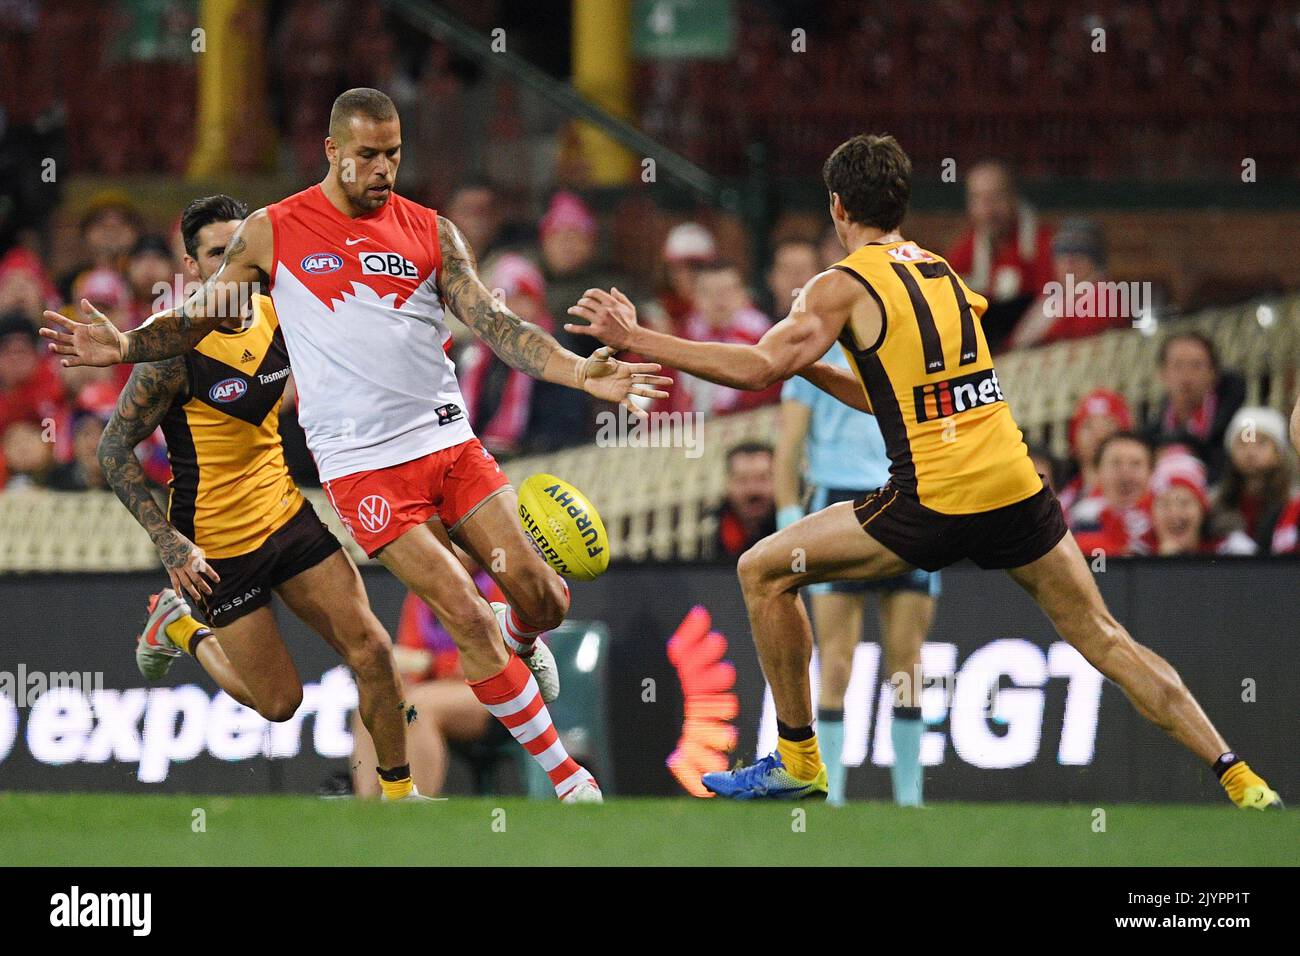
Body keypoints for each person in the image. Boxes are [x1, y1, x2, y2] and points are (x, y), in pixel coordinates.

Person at [565, 133, 1280, 809]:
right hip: (1015, 485)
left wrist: (636, 339)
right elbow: (902, 401)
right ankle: (1240, 776)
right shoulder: (941, 272)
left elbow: (756, 368)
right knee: (1104, 636)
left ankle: (799, 759)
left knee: (762, 571)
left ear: (838, 207)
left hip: (935, 502)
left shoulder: (840, 285)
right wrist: (817, 364)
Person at [45, 89, 669, 803]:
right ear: (333, 152)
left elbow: (496, 326)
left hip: (441, 447)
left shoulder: (431, 232)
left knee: (542, 595)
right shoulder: (274, 234)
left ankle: (521, 638)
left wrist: (578, 371)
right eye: (367, 154)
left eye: (394, 154)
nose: (383, 168)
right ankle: (563, 779)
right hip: (353, 477)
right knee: (433, 625)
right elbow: (191, 324)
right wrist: (125, 345)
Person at [95, 194, 424, 801]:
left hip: (286, 513)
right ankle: (180, 629)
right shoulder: (173, 350)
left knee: (374, 649)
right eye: (216, 254)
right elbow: (113, 450)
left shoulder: (283, 311)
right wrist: (170, 544)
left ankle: (399, 799)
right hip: (217, 546)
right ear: (192, 269)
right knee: (280, 704)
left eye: (238, 249)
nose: (231, 264)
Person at [775, 342, 939, 806]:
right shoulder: (814, 361)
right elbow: (788, 444)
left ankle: (910, 799)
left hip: (909, 496)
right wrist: (791, 521)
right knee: (836, 660)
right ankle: (833, 796)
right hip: (838, 499)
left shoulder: (911, 356)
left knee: (907, 660)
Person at [943, 160, 1054, 351]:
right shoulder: (965, 249)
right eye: (978, 199)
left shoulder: (1044, 244)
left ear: (1013, 198)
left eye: (995, 197)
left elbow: (1055, 307)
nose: (988, 210)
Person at [1006, 218, 1130, 350]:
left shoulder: (1105, 297)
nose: (1069, 262)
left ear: (1095, 261)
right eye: (1062, 253)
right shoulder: (1052, 296)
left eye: (1080, 253)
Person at [1141, 330, 1245, 483]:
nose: (1186, 375)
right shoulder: (1149, 438)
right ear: (1162, 374)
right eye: (1177, 365)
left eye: (1196, 366)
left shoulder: (1236, 430)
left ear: (1213, 374)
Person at [1208, 407, 1296, 554]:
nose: (1250, 452)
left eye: (1261, 443)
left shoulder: (1293, 503)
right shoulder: (1213, 503)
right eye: (1242, 443)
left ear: (1279, 453)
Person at [1069, 431, 1154, 556]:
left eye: (1135, 464)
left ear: (1151, 472)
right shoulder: (1082, 522)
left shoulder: (1163, 523)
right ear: (1098, 472)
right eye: (1116, 463)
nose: (1126, 474)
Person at [1059, 388, 1133, 515]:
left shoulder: (1135, 496)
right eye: (1088, 426)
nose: (1099, 435)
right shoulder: (1064, 498)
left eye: (1108, 424)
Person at [712, 441, 776, 559]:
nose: (753, 490)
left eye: (763, 478)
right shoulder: (710, 530)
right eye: (742, 480)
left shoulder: (795, 525)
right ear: (727, 484)